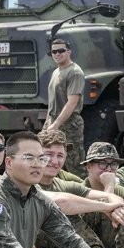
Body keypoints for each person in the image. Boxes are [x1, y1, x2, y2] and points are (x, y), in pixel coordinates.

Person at [43, 38, 86, 174]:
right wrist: (47, 124)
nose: (57, 54)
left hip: (70, 124)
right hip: (53, 122)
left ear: (69, 52)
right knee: (49, 163)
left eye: (61, 51)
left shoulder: (74, 72)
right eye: (54, 51)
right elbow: (52, 103)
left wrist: (55, 125)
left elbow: (72, 102)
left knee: (75, 166)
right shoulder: (56, 72)